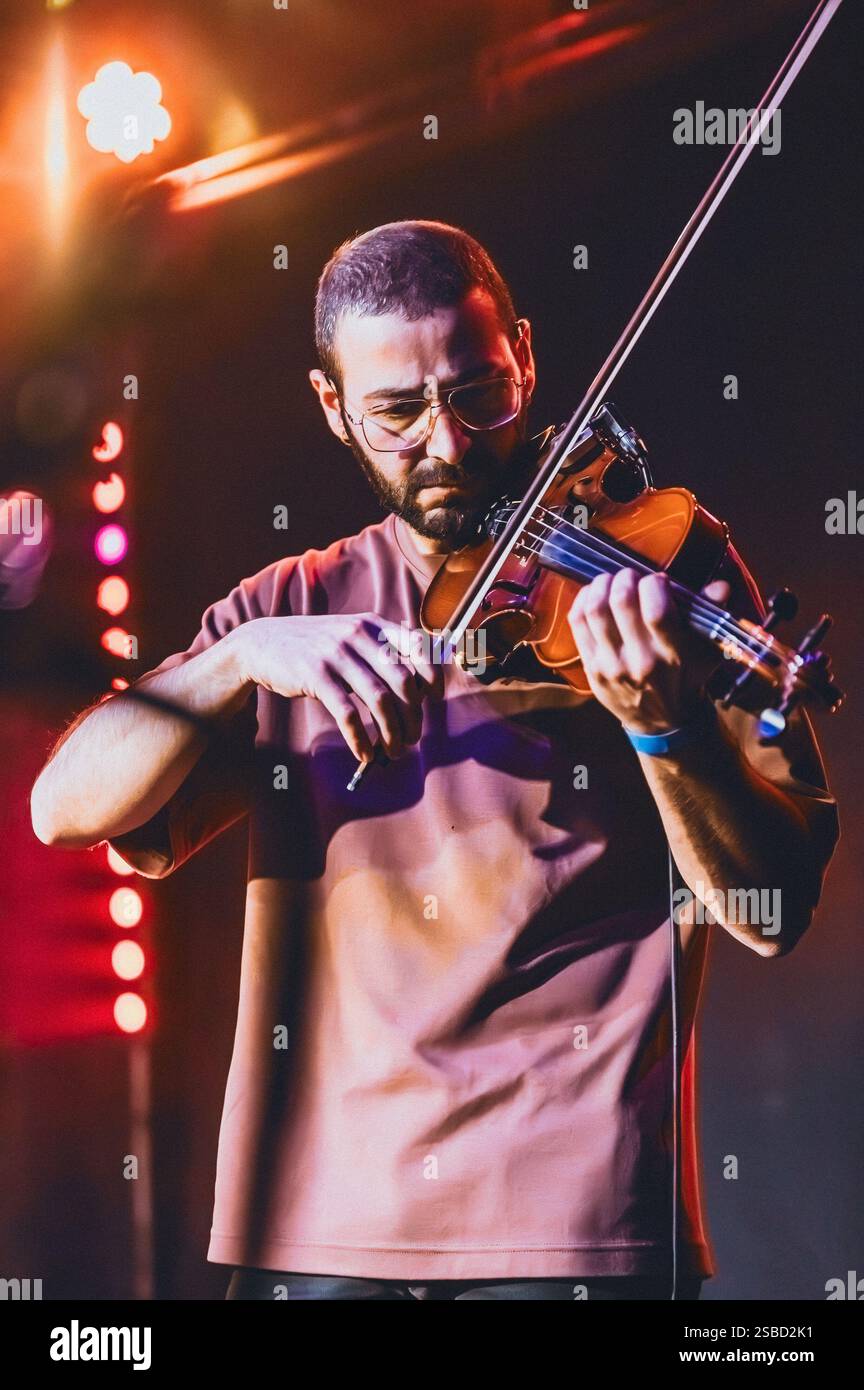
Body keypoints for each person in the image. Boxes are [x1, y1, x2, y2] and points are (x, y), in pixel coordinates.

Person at [30, 220, 838, 1301]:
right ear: (334, 410)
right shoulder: (288, 609)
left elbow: (773, 907)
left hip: (571, 1217)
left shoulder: (660, 555)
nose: (448, 446)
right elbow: (64, 805)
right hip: (313, 1226)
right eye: (398, 414)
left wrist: (666, 725)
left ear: (528, 361)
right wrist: (238, 658)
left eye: (478, 395)